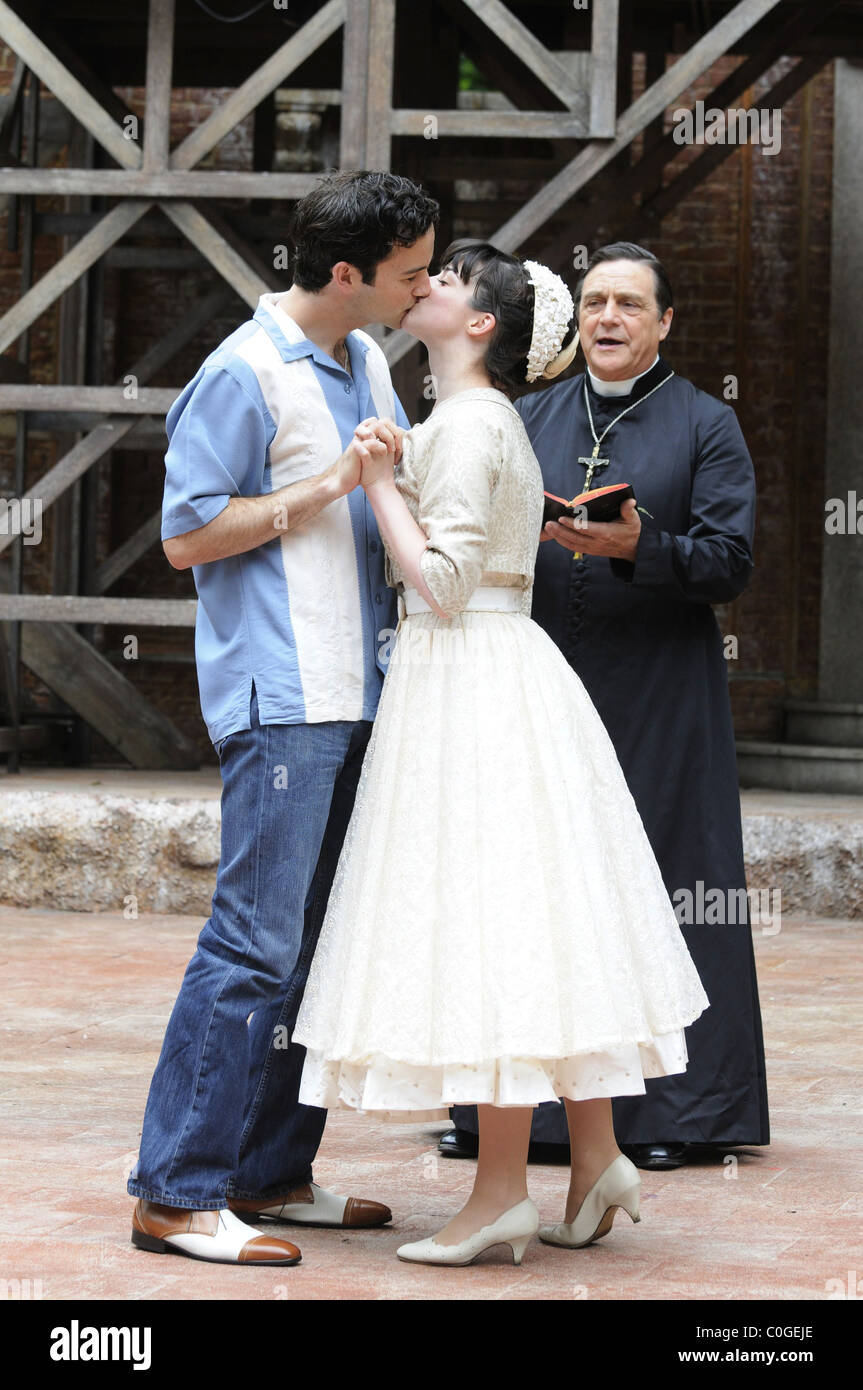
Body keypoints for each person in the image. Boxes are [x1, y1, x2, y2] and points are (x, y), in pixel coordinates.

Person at [292, 239, 710, 1267]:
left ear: (480, 323)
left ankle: (494, 1199)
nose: (423, 285)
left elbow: (438, 582)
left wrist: (377, 482)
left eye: (445, 282)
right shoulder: (474, 419)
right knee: (536, 914)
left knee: (487, 920)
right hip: (490, 669)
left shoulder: (473, 426)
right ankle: (596, 1154)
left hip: (468, 669)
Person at [126, 171, 440, 1267]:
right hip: (285, 697)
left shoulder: (363, 356)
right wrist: (324, 488)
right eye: (409, 273)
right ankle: (176, 1191)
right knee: (252, 946)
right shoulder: (241, 371)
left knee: (312, 948)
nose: (423, 287)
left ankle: (268, 1173)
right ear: (347, 274)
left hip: (362, 687)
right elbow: (186, 536)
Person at [447, 242, 769, 1170]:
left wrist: (640, 545)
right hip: (540, 681)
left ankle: (676, 1115)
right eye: (594, 302)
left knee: (665, 892)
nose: (608, 319)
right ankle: (504, 1117)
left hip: (660, 696)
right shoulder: (527, 413)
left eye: (629, 304)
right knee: (530, 890)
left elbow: (731, 563)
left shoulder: (707, 425)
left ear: (664, 322)